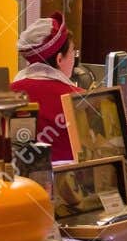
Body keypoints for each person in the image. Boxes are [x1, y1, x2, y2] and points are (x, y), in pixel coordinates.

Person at [11, 14, 81, 164]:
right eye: (72, 53)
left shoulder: (6, 95)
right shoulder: (79, 99)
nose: (74, 60)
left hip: (17, 177)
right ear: (59, 59)